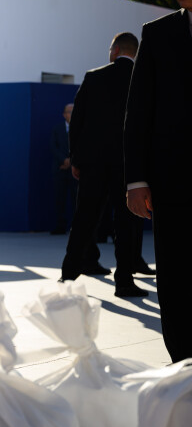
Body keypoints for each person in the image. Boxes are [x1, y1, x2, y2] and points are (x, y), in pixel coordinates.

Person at [124, 0, 192, 362]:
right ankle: (182, 365)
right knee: (177, 278)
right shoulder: (158, 34)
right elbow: (138, 112)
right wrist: (136, 179)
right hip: (173, 184)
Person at [60, 33, 145, 296]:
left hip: (93, 164)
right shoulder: (142, 79)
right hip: (128, 164)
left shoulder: (94, 77)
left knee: (84, 217)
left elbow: (77, 122)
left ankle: (69, 273)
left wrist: (76, 158)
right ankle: (125, 281)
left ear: (115, 50)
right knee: (126, 223)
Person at [50, 104, 77, 235]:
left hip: (76, 170)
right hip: (60, 169)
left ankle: (76, 226)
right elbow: (53, 147)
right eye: (68, 112)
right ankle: (60, 226)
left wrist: (72, 161)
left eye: (73, 112)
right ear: (63, 114)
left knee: (75, 199)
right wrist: (64, 160)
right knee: (59, 199)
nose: (71, 115)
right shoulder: (57, 129)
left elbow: (82, 146)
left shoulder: (81, 129)